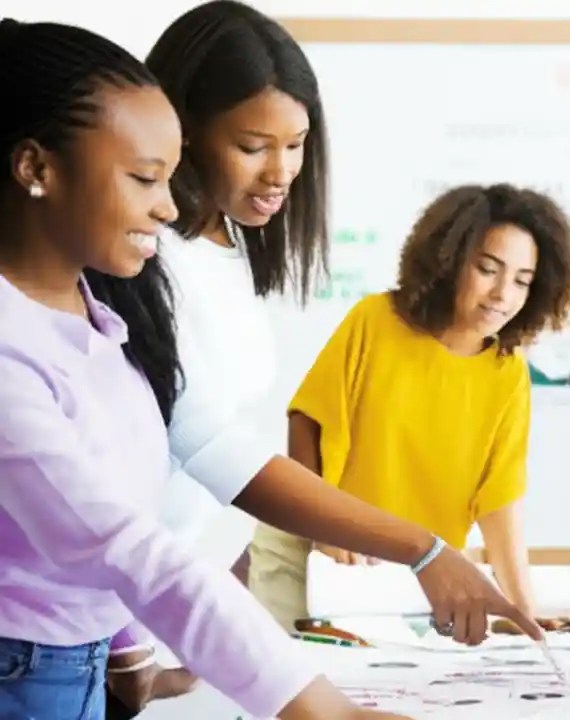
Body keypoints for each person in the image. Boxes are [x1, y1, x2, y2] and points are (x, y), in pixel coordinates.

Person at [80, 2, 541, 713]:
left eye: (296, 145)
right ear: (183, 129)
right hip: (114, 624)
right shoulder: (141, 257)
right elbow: (205, 447)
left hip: (183, 612)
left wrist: (237, 577)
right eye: (253, 145)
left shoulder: (226, 252)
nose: (281, 171)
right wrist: (421, 549)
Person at [0, 18, 408, 720]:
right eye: (145, 179)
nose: (166, 207)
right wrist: (315, 706)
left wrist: (130, 637)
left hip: (88, 656)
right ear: (36, 167)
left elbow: (114, 506)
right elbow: (113, 539)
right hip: (29, 667)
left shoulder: (96, 311)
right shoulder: (13, 346)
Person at [248, 183, 570, 629]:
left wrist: (525, 611)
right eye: (487, 269)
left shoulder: (507, 372)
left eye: (522, 281)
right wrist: (324, 527)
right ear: (449, 261)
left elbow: (499, 503)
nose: (503, 293)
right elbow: (307, 423)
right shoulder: (376, 321)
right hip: (316, 554)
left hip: (411, 572)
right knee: (301, 690)